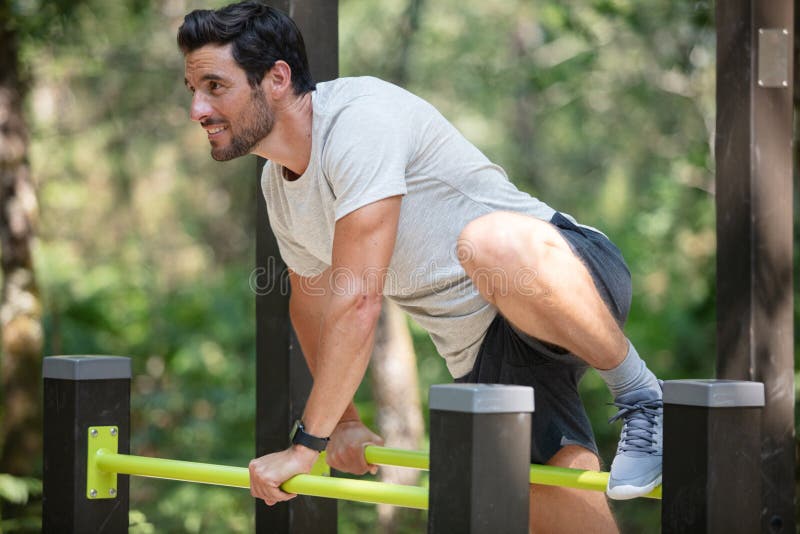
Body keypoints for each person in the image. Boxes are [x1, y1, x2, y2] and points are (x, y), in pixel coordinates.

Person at [177, 2, 663, 531]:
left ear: (276, 78)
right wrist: (341, 423)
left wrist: (304, 445)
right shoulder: (278, 183)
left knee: (487, 242)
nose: (198, 109)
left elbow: (358, 301)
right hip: (486, 352)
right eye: (193, 91)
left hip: (563, 275)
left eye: (215, 86)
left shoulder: (356, 121)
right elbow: (311, 304)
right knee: (563, 508)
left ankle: (643, 395)